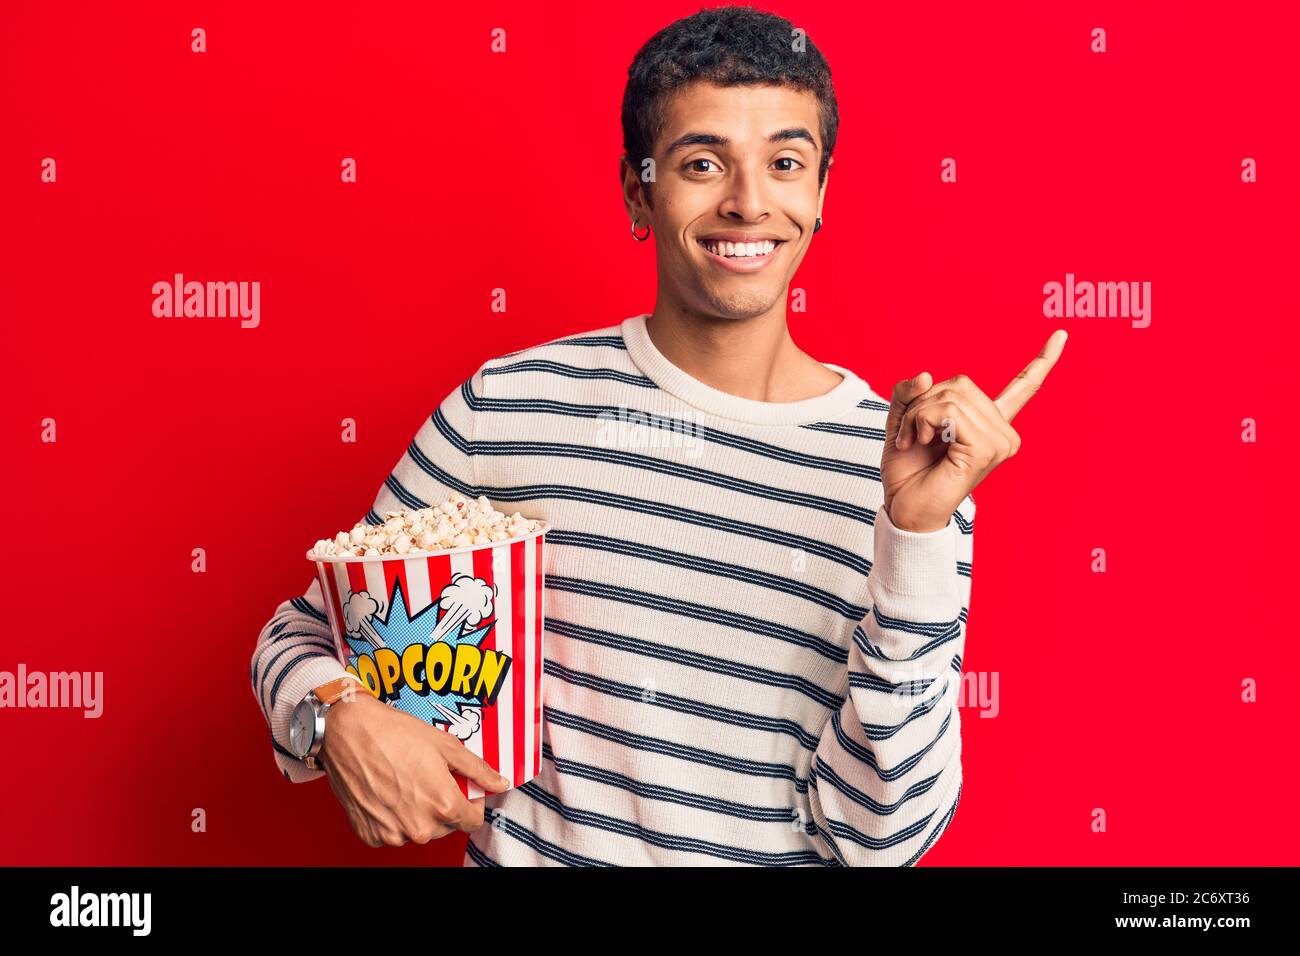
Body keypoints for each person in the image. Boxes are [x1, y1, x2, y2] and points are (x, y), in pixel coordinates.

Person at [249, 5, 1064, 866]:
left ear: (821, 191)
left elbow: (881, 839)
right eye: (703, 163)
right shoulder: (510, 406)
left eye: (785, 163)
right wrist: (336, 713)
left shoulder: (907, 476)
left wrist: (917, 537)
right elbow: (301, 636)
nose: (749, 203)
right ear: (639, 190)